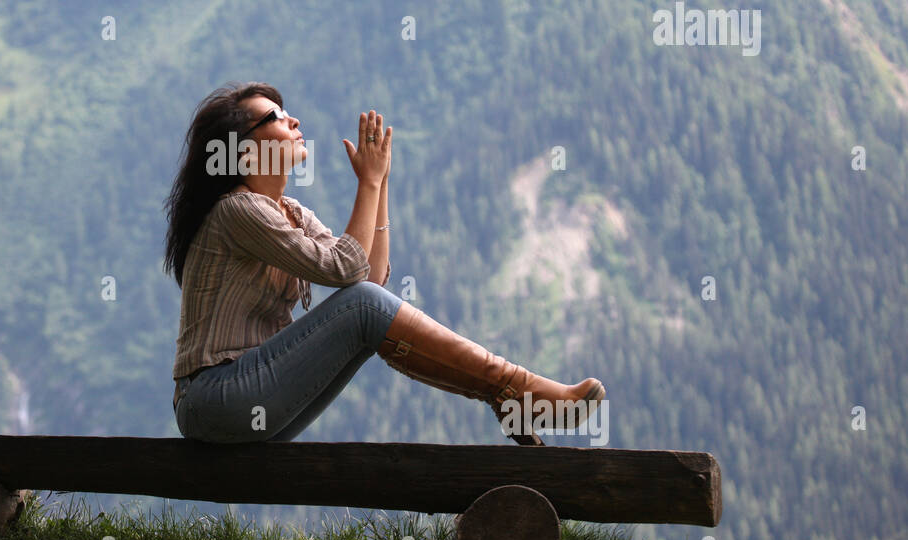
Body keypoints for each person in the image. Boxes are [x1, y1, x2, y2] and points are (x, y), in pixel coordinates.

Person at [162, 81, 605, 445]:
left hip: (251, 400)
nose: (294, 120)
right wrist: (368, 183)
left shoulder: (291, 213)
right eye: (275, 117)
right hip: (215, 398)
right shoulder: (237, 210)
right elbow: (348, 276)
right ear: (243, 149)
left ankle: (508, 394)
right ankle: (513, 388)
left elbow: (368, 279)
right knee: (361, 308)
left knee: (365, 307)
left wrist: (380, 182)